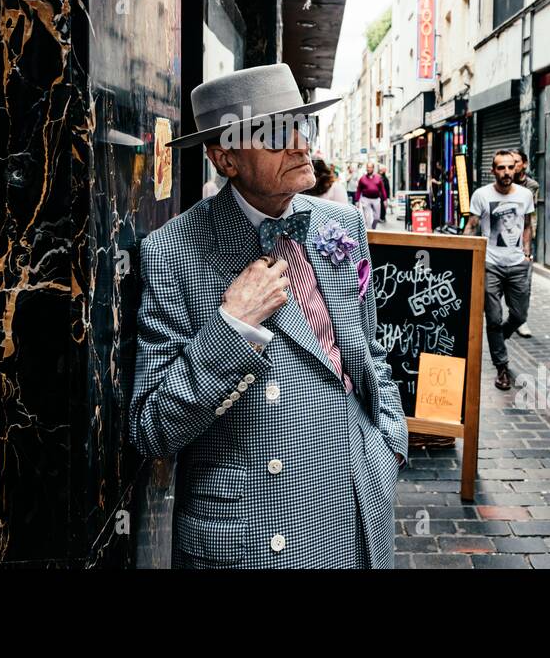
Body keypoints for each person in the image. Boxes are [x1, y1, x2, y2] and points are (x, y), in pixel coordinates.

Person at [130, 63, 407, 569]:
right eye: (276, 131)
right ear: (225, 157)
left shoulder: (340, 222)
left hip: (356, 505)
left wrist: (387, 445)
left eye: (302, 125)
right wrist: (232, 326)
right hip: (255, 531)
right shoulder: (172, 251)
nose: (299, 143)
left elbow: (370, 349)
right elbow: (151, 429)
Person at [468, 151, 534, 391]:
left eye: (509, 168)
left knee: (519, 316)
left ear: (515, 169)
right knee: (493, 319)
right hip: (490, 265)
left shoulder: (526, 195)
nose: (506, 172)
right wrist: (464, 256)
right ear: (493, 170)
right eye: (501, 168)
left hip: (517, 264)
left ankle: (499, 338)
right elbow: (472, 226)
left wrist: (527, 253)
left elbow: (527, 225)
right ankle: (502, 367)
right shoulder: (481, 195)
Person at [511, 149, 539, 339]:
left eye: (516, 162)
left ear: (525, 164)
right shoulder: (500, 182)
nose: (512, 166)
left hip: (524, 237)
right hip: (502, 239)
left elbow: (527, 216)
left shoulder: (531, 186)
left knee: (524, 283)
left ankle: (521, 320)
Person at [355, 162, 386, 230]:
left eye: (370, 167)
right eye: (368, 167)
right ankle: (370, 231)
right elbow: (359, 190)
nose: (369, 169)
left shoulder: (378, 178)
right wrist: (357, 200)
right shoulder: (362, 178)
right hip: (365, 199)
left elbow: (382, 189)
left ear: (373, 168)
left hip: (376, 199)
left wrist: (385, 200)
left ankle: (373, 228)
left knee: (377, 217)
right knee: (367, 217)